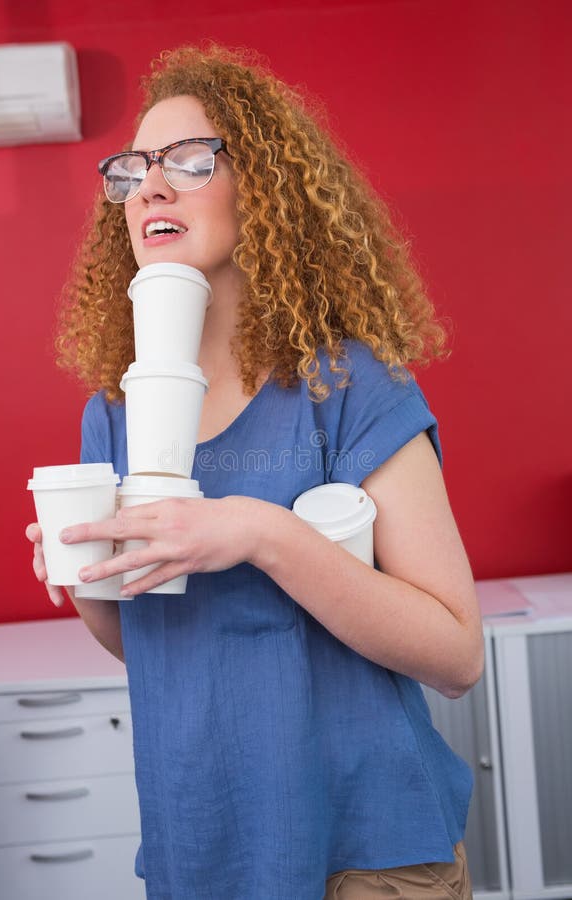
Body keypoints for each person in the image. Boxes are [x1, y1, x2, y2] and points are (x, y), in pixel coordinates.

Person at [27, 44, 483, 900]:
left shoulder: (347, 387)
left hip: (368, 850)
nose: (151, 185)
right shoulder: (112, 415)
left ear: (266, 189)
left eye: (191, 161)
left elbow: (455, 654)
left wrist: (258, 533)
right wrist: (85, 571)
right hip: (203, 845)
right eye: (134, 169)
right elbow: (162, 647)